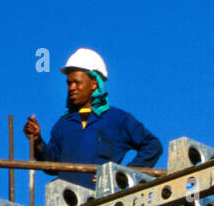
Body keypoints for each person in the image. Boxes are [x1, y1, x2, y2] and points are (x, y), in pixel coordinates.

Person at [24, 48, 161, 187]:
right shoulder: (63, 125)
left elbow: (152, 146)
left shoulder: (117, 120)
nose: (71, 88)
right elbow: (51, 166)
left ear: (94, 84)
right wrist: (37, 141)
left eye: (77, 82)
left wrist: (123, 176)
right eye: (69, 83)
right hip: (69, 205)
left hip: (103, 201)